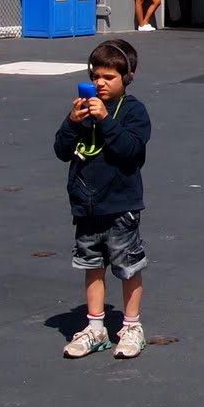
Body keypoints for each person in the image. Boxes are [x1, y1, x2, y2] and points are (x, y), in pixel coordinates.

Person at [54, 39, 153, 359]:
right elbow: (60, 150)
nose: (100, 83)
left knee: (127, 267)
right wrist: (73, 122)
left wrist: (106, 121)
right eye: (96, 76)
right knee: (91, 265)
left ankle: (132, 325)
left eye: (109, 77)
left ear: (128, 77)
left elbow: (131, 151)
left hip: (121, 204)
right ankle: (95, 327)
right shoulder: (84, 110)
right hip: (86, 204)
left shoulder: (133, 111)